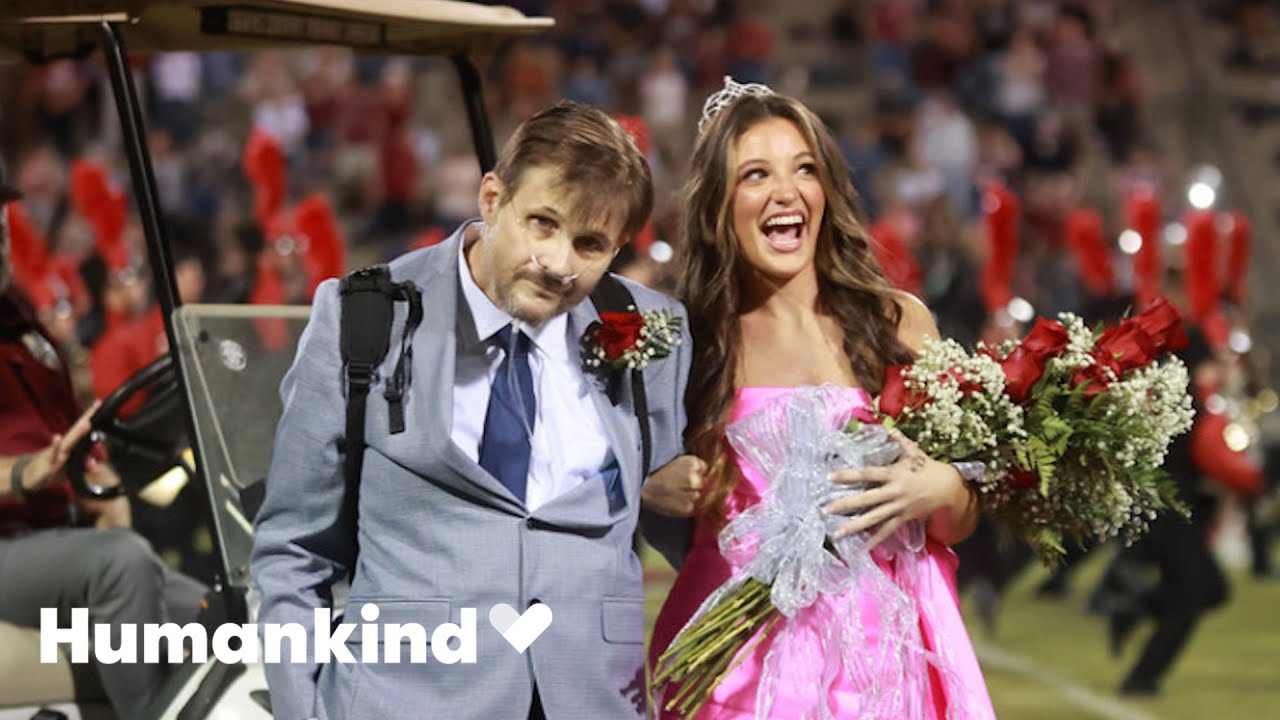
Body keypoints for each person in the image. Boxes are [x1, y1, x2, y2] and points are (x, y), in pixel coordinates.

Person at [250, 101, 700, 720]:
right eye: (542, 223)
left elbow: (690, 532)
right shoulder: (362, 317)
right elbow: (292, 552)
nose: (559, 263)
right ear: (491, 199)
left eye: (590, 244)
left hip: (596, 701)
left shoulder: (651, 327)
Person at [648, 80, 995, 718]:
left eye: (804, 169)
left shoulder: (897, 322)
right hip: (739, 672)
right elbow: (590, 470)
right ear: (718, 205)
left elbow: (962, 517)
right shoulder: (685, 340)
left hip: (887, 661)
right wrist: (649, 482)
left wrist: (940, 489)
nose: (786, 192)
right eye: (755, 175)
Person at [0, 158, 207, 718]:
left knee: (223, 610)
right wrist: (21, 474)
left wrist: (102, 481)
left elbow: (72, 429)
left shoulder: (20, 319)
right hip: (10, 544)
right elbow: (30, 463)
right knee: (123, 564)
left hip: (58, 539)